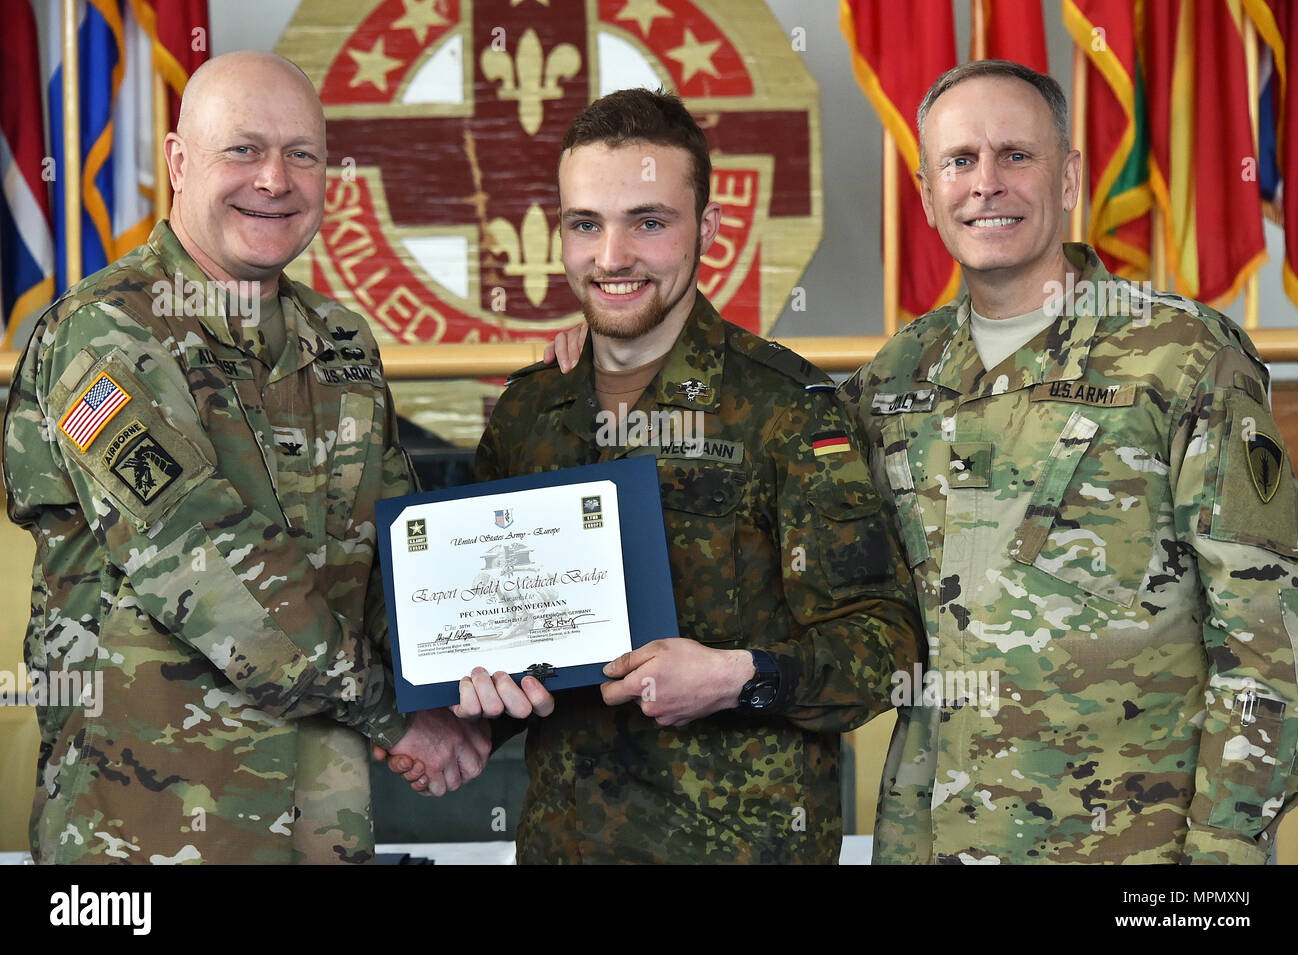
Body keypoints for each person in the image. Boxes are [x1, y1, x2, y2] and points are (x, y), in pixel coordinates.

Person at [2, 50, 487, 865]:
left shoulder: (339, 342)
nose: (275, 179)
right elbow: (211, 568)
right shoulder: (105, 334)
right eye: (244, 149)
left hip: (321, 831)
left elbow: (402, 551)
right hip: (143, 841)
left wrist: (483, 681)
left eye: (303, 153)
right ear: (178, 162)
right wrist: (401, 717)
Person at [835, 60, 1298, 864]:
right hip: (932, 841)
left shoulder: (1181, 356)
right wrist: (608, 360)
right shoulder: (897, 375)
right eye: (960, 161)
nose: (986, 183)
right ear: (926, 194)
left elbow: (1269, 635)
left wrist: (1225, 854)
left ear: (1070, 178)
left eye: (1016, 154)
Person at [444, 88, 922, 864]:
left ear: (709, 228)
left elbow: (888, 652)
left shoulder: (787, 409)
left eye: (649, 222)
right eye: (585, 224)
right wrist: (474, 710)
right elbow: (515, 647)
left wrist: (741, 676)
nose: (612, 258)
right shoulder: (529, 414)